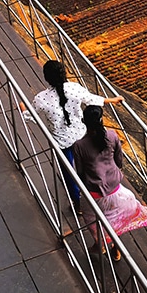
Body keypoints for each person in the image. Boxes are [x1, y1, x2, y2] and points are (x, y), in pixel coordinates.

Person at [28, 60, 124, 212]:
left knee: (68, 172)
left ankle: (78, 203)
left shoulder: (41, 99)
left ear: (47, 78)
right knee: (86, 164)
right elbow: (92, 99)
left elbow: (30, 115)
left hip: (61, 141)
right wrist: (112, 100)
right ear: (64, 74)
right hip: (80, 135)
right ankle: (95, 194)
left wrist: (22, 108)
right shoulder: (74, 88)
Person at [74, 104, 147, 257]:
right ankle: (116, 247)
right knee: (117, 219)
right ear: (101, 120)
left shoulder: (79, 145)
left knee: (92, 221)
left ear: (83, 121)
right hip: (117, 190)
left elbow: (79, 172)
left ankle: (100, 245)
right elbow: (119, 160)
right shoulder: (112, 136)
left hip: (95, 195)